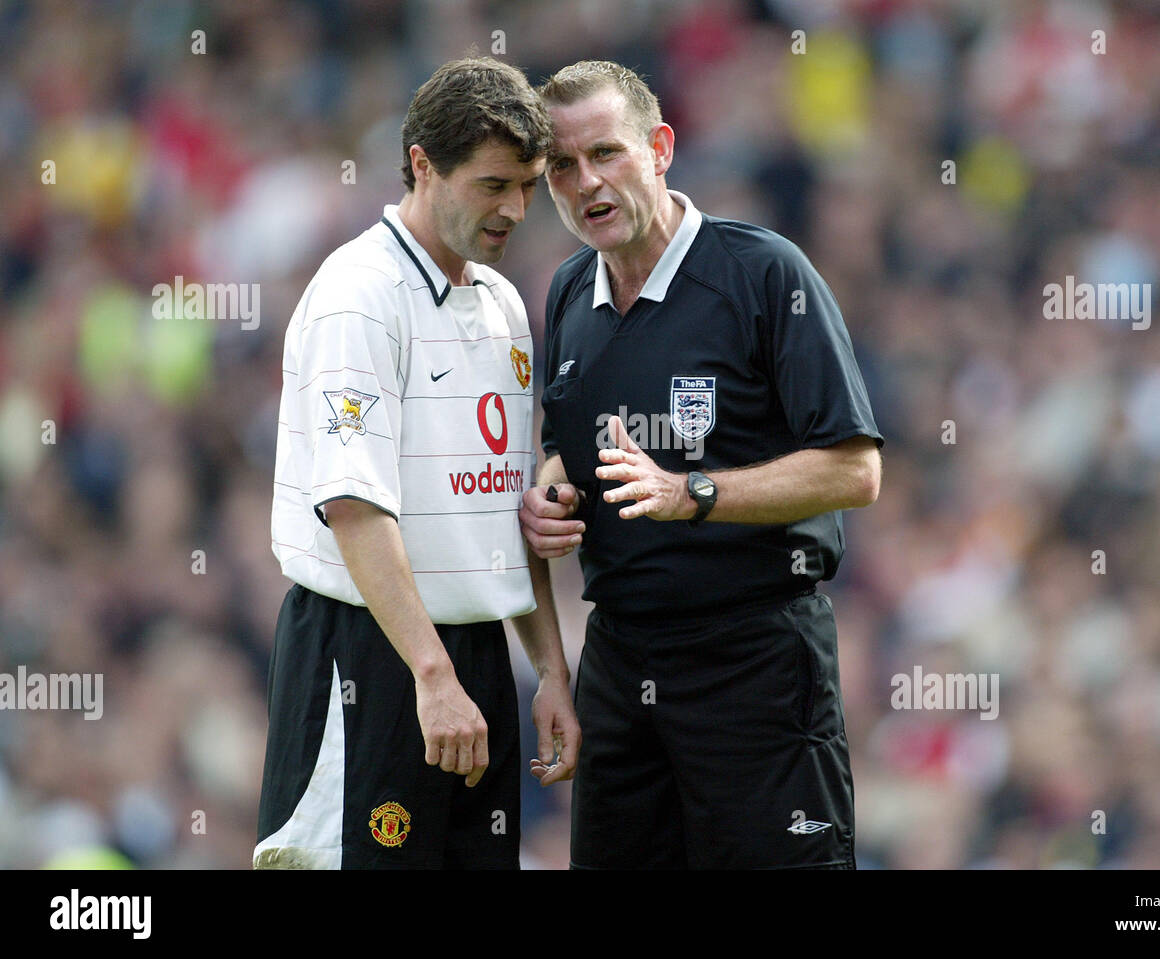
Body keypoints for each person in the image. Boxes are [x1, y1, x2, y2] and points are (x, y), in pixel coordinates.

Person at [520, 61, 884, 869]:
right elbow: (563, 440)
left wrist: (694, 492)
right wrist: (549, 487)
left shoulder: (765, 274)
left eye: (607, 153)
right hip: (619, 665)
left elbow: (854, 470)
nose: (587, 182)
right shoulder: (569, 291)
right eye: (562, 169)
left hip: (754, 661)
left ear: (660, 147)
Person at [256, 56, 579, 870]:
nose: (515, 209)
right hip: (371, 656)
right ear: (424, 165)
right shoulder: (356, 298)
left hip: (473, 660)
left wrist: (548, 667)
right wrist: (429, 675)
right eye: (494, 184)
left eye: (530, 186)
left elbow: (506, 513)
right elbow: (354, 508)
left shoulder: (503, 304)